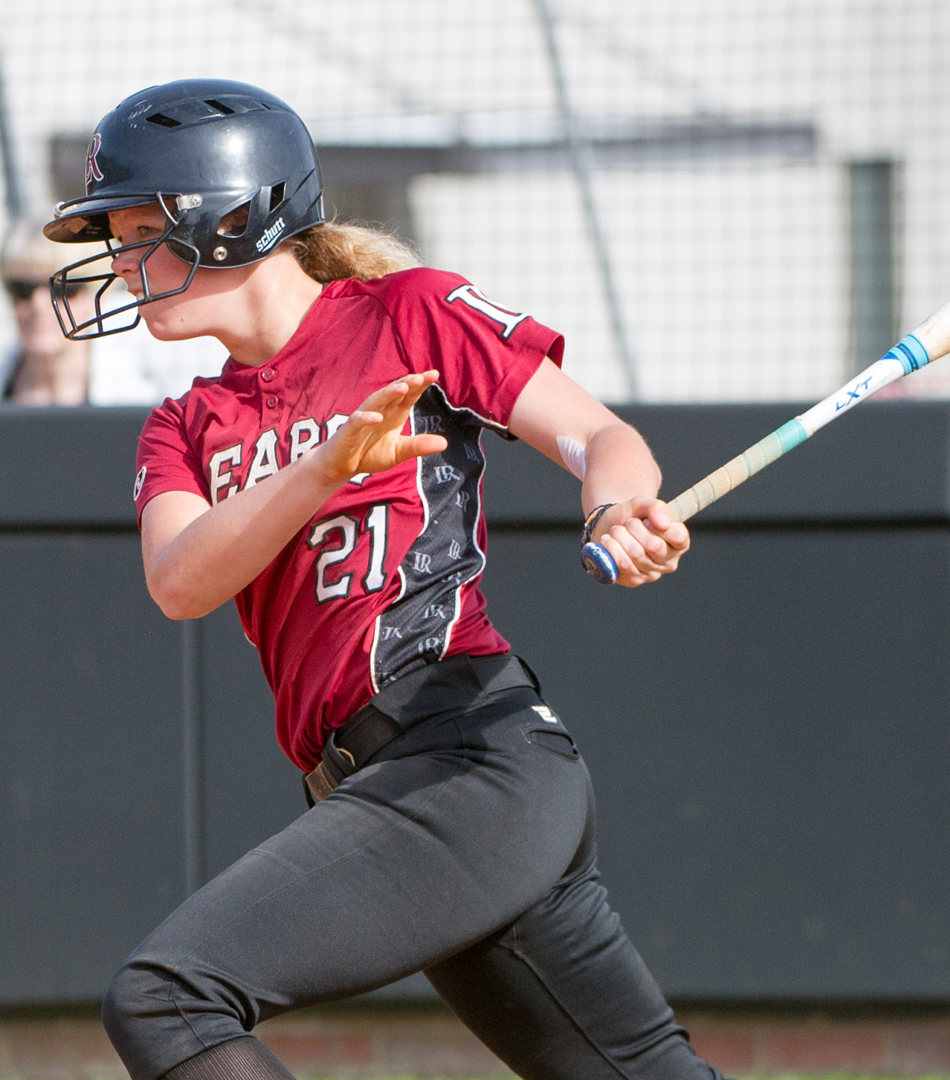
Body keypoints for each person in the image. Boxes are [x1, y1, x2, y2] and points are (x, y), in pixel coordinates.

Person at [45, 79, 710, 1080]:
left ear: (235, 216)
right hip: (377, 786)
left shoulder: (410, 313)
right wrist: (320, 470)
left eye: (144, 229)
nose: (123, 262)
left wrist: (616, 506)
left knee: (168, 997)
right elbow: (181, 580)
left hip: (469, 757)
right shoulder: (183, 425)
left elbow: (603, 439)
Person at [0, 218, 223, 406]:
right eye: (23, 289)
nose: (40, 305)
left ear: (96, 294)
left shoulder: (151, 402)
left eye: (64, 290)